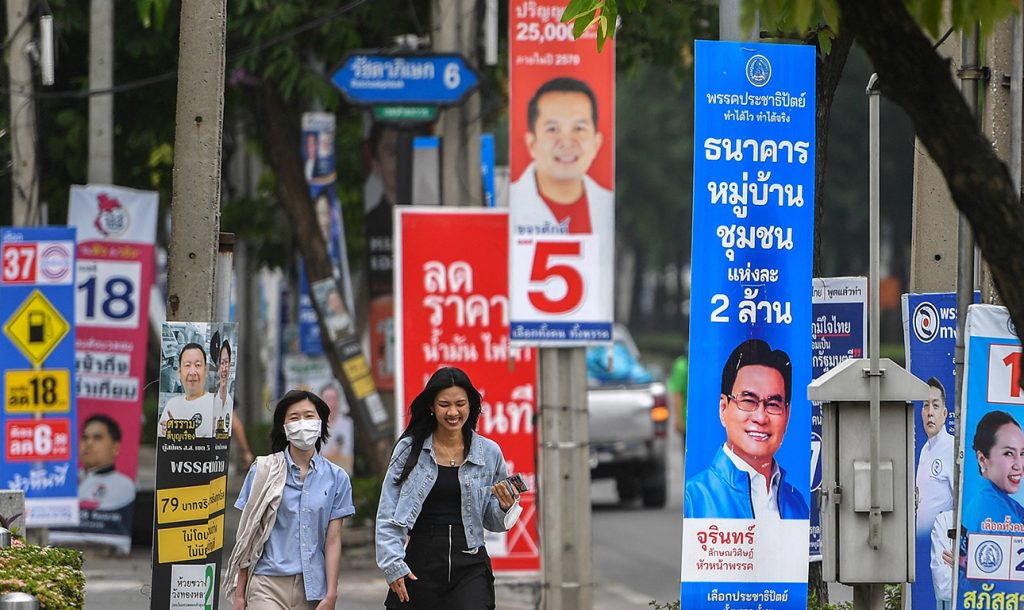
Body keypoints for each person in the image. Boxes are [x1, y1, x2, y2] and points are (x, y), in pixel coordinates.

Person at [375, 367, 522, 608]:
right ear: (431, 406)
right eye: (444, 404)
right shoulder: (408, 449)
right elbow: (388, 514)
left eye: (460, 404)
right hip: (420, 563)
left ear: (470, 405)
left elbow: (493, 522)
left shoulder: (490, 452)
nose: (453, 412)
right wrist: (393, 565)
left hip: (471, 563)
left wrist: (505, 507)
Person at [225, 390, 355, 610]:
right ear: (284, 428)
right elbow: (247, 534)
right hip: (266, 583)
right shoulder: (263, 471)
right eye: (294, 417)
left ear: (321, 423)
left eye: (309, 416)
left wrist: (331, 593)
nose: (302, 423)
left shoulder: (337, 478)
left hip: (312, 587)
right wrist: (240, 593)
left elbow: (333, 540)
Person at [684, 338, 808, 519]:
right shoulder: (695, 498)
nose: (760, 417)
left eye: (773, 404)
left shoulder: (798, 505)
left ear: (787, 414)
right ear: (723, 408)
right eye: (749, 401)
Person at [510, 76, 612, 235]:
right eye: (553, 129)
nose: (566, 142)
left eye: (578, 129)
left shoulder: (612, 208)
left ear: (596, 144)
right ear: (531, 144)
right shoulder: (508, 204)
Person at [961, 410, 1024, 531]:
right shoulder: (999, 515)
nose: (1019, 465)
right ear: (982, 459)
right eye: (1009, 453)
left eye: (1022, 453)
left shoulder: (980, 500)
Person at [916, 377, 954, 537]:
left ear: (944, 413)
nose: (930, 412)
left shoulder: (952, 448)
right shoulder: (925, 450)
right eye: (926, 405)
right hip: (922, 543)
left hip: (943, 546)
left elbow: (963, 504)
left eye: (935, 406)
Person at [158, 342, 217, 438]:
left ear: (205, 371)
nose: (192, 372)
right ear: (180, 372)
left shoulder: (215, 403)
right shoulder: (172, 404)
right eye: (187, 365)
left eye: (198, 365)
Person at [78, 414, 134, 511]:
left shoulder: (124, 485)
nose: (88, 443)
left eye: (97, 438)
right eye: (85, 437)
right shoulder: (67, 480)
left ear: (115, 448)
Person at [216, 339, 255, 467]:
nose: (225, 367)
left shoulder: (225, 392)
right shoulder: (217, 390)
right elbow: (235, 423)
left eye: (227, 363)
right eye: (222, 363)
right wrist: (246, 451)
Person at [930, 509, 954, 610]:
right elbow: (944, 587)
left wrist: (962, 569)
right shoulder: (946, 520)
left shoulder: (1005, 523)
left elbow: (1006, 589)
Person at [666, 354, 688, 437]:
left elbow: (677, 394)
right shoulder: (682, 366)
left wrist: (678, 419)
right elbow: (677, 394)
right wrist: (679, 419)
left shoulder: (681, 365)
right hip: (687, 419)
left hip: (687, 419)